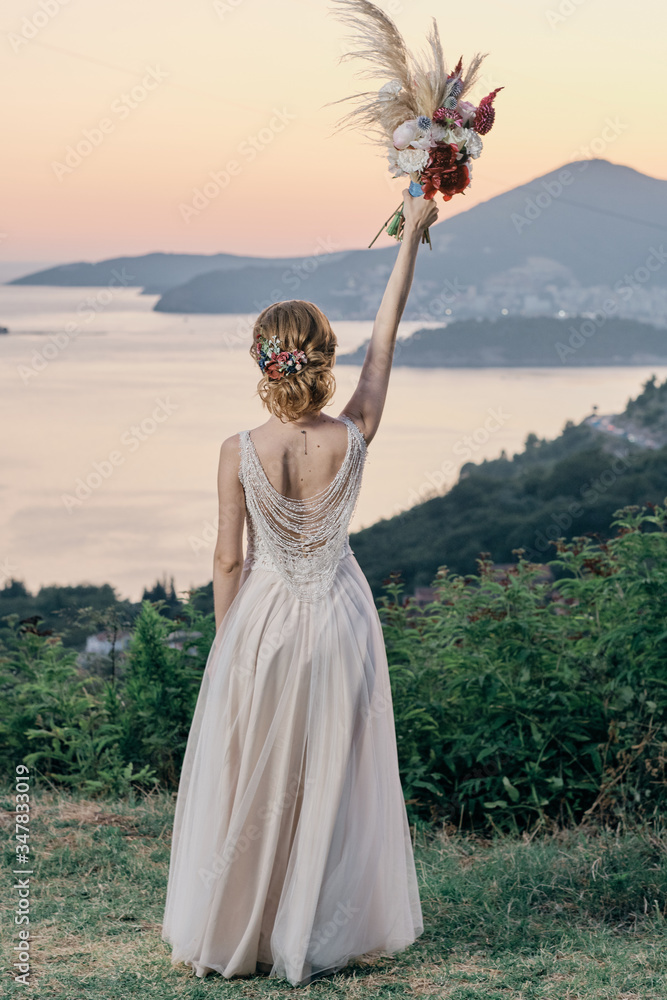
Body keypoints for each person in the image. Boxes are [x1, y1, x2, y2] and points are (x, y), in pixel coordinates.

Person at [162, 191, 439, 985]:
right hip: (343, 616)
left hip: (266, 622)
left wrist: (228, 651)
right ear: (324, 359)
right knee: (333, 772)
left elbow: (225, 561)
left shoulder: (236, 449)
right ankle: (316, 925)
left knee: (255, 772)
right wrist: (408, 241)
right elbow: (385, 346)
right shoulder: (353, 434)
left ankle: (246, 927)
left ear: (262, 359)